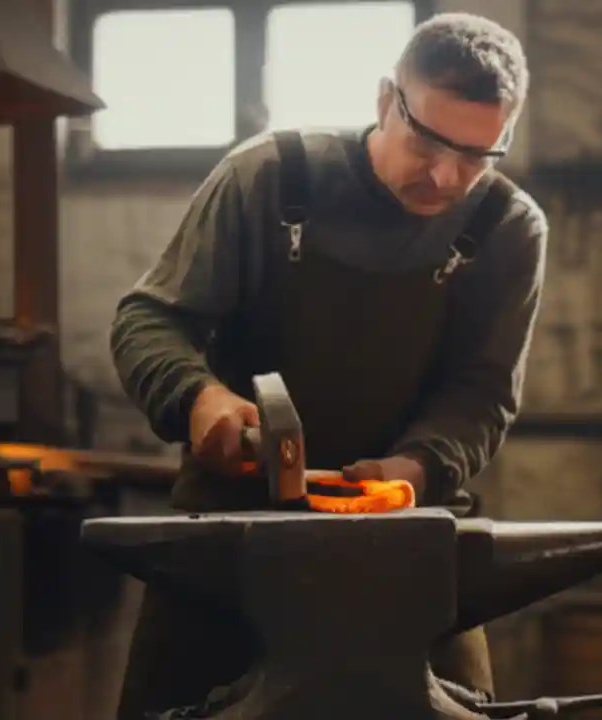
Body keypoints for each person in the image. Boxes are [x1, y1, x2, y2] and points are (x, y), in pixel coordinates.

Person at [108, 11, 548, 719]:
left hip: (409, 551)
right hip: (229, 546)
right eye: (429, 141)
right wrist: (199, 399)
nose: (446, 176)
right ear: (384, 100)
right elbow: (150, 319)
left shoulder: (506, 228)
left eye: (476, 156)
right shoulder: (270, 179)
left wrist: (413, 471)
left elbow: (484, 390)